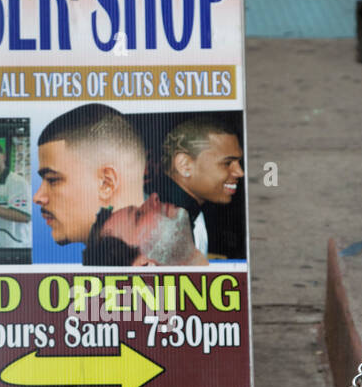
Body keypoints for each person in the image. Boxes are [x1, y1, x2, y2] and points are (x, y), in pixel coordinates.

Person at [34, 103, 205, 267]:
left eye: (52, 179)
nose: (37, 197)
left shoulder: (185, 228)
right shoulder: (174, 228)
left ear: (106, 183)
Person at [156, 119, 244, 256]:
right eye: (227, 163)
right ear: (185, 165)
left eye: (239, 162)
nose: (240, 172)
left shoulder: (193, 212)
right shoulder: (157, 225)